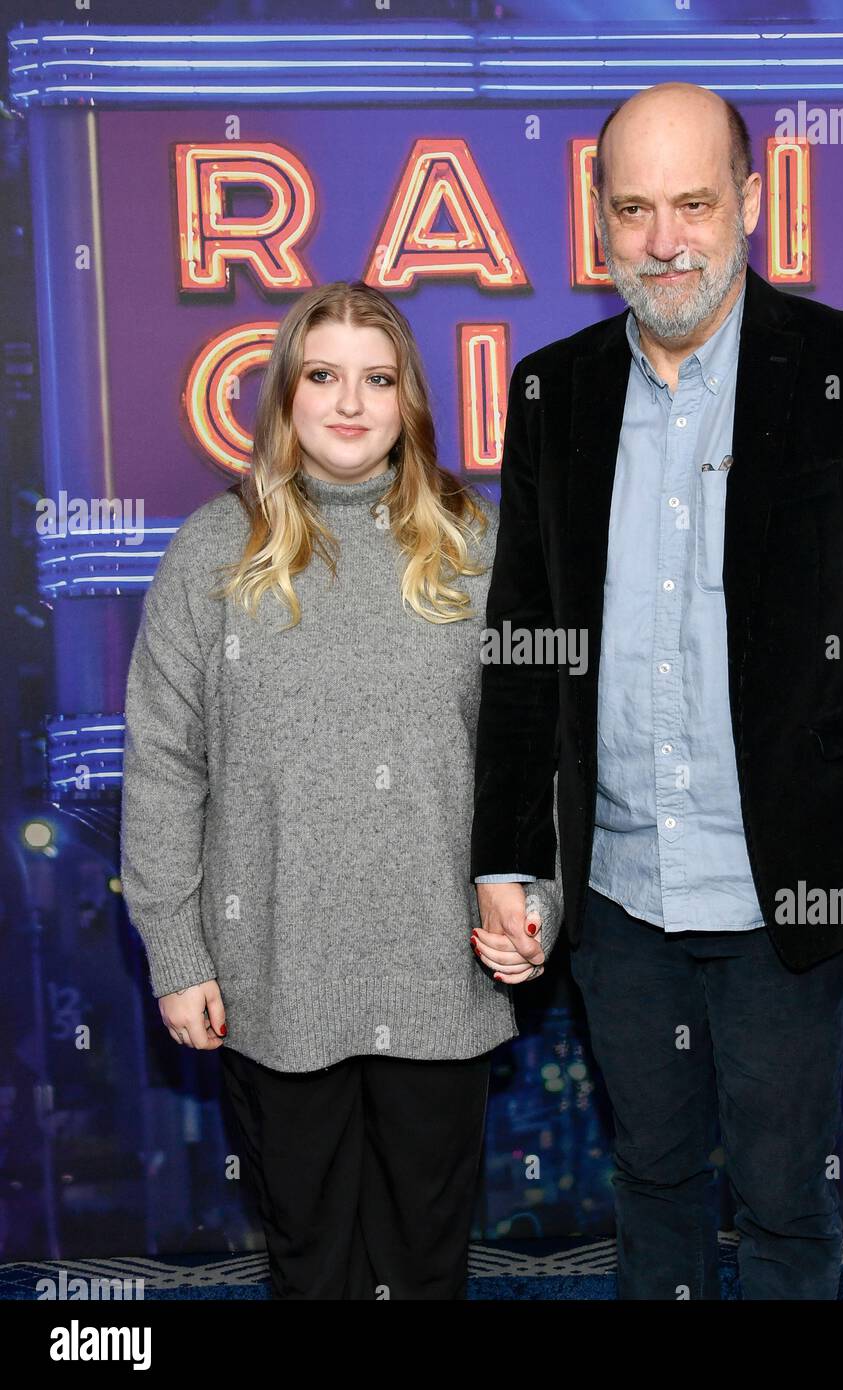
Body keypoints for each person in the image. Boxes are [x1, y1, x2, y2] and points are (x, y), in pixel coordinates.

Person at [470, 83, 843, 1300]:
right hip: (619, 893)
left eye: (693, 202)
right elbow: (526, 643)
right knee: (649, 1184)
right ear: (598, 219)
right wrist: (505, 856)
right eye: (633, 208)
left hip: (789, 890)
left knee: (788, 1197)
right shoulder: (556, 392)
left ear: (750, 201)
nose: (664, 239)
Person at [119, 280, 562, 1300]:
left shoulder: (479, 544)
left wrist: (538, 899)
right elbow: (163, 762)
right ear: (286, 394)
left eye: (378, 377)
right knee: (311, 1268)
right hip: (273, 976)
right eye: (323, 376)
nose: (350, 403)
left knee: (423, 1267)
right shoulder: (208, 551)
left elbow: (537, 748)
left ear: (410, 398)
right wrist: (177, 949)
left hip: (440, 978)